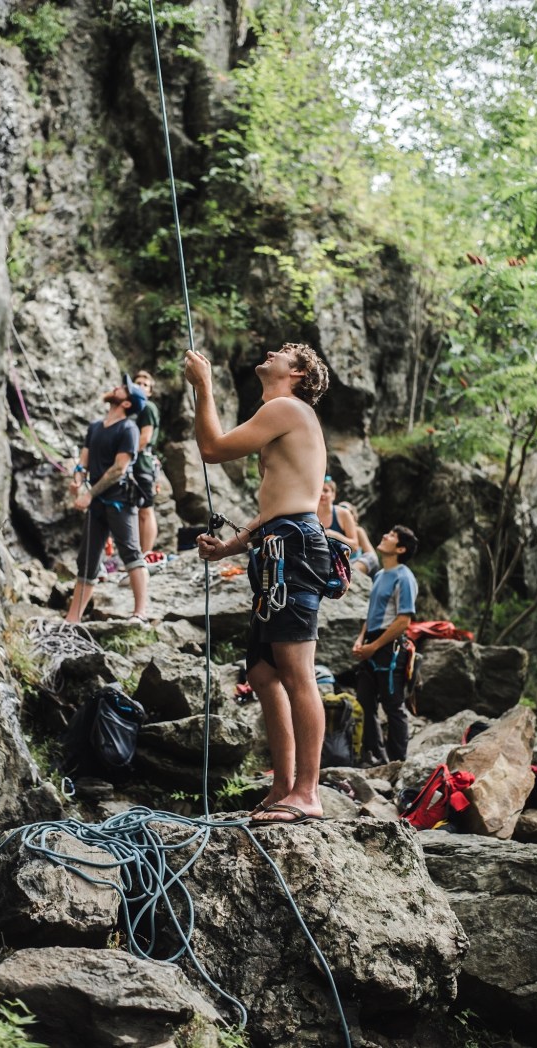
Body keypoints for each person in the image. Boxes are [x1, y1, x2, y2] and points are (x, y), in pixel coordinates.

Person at [185, 342, 331, 824]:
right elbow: (276, 504)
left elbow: (212, 449)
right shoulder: (281, 414)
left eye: (285, 352)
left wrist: (204, 387)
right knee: (265, 673)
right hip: (276, 544)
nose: (272, 351)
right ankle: (284, 785)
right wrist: (231, 546)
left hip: (293, 546)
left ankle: (308, 793)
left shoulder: (290, 407)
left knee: (295, 670)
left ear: (298, 375)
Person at [65, 376, 150, 626]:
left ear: (127, 403)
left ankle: (140, 613)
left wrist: (89, 494)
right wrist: (78, 479)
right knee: (87, 558)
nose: (117, 387)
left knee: (131, 552)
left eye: (123, 389)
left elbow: (119, 469)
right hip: (98, 504)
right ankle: (72, 618)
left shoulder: (129, 430)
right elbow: (84, 461)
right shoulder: (95, 427)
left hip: (119, 502)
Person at [352, 525, 418, 764]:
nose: (384, 535)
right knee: (364, 702)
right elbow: (371, 615)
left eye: (391, 536)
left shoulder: (404, 577)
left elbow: (403, 621)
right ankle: (376, 756)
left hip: (389, 648)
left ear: (400, 548)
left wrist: (375, 646)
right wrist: (361, 641)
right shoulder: (379, 575)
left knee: (393, 705)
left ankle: (398, 761)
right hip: (371, 643)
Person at [132, 369, 161, 553]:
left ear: (150, 392)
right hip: (135, 464)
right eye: (138, 383)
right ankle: (138, 553)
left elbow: (144, 438)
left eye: (146, 385)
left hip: (141, 464)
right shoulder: (133, 409)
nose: (141, 386)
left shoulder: (147, 407)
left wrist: (125, 457)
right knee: (136, 510)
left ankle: (146, 552)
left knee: (145, 509)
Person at [337, 500, 380, 577]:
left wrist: (337, 536)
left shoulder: (358, 531)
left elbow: (372, 557)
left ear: (353, 516)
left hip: (354, 566)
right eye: (339, 510)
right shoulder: (330, 530)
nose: (343, 512)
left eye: (346, 510)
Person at [317, 477, 359, 548]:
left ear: (333, 495)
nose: (322, 494)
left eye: (326, 490)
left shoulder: (344, 514)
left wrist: (334, 535)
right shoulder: (310, 513)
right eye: (319, 490)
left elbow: (355, 546)